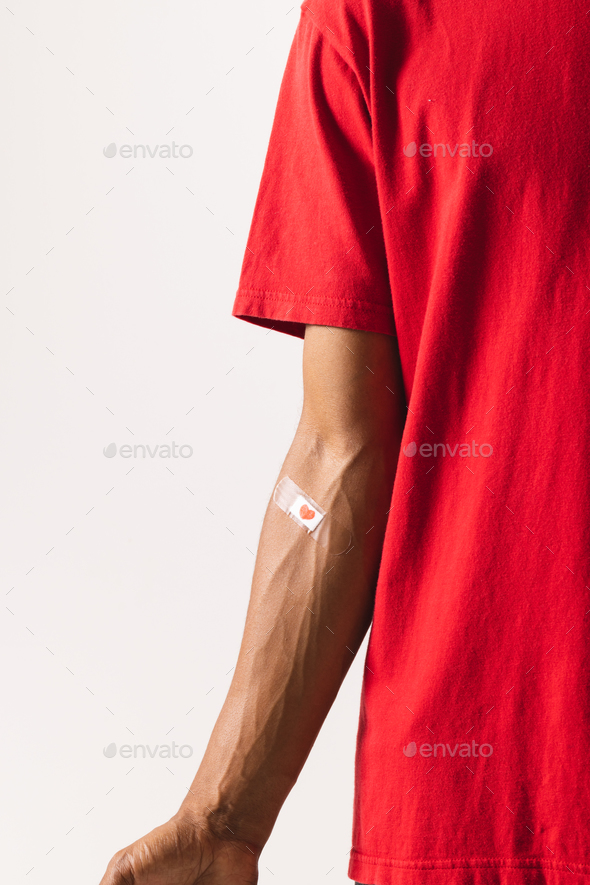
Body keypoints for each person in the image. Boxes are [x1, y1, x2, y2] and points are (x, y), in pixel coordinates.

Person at [100, 0, 590, 882]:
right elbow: (345, 447)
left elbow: (345, 449)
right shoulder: (369, 16)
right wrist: (224, 817)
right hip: (484, 806)